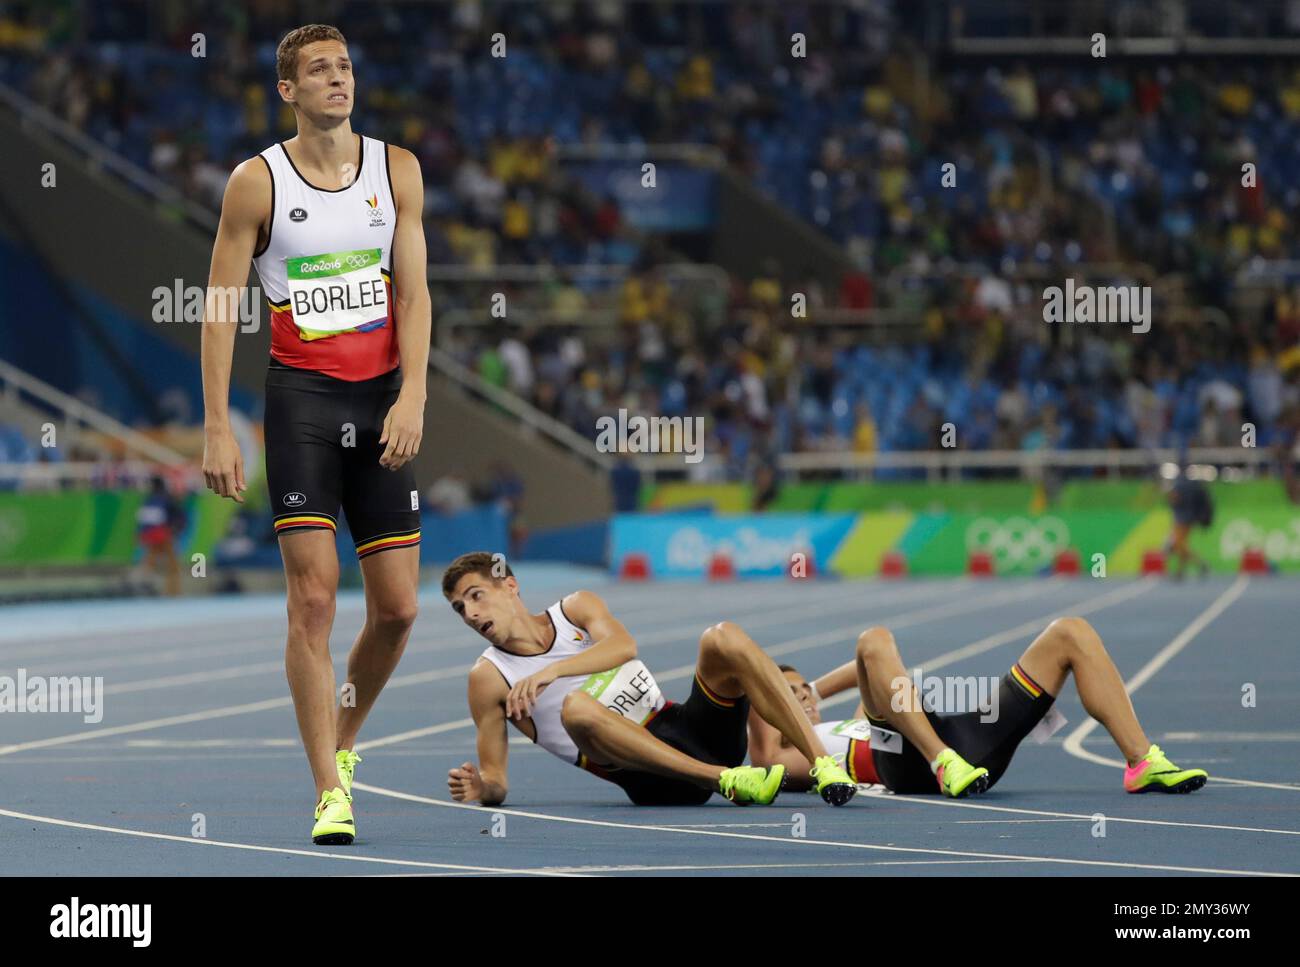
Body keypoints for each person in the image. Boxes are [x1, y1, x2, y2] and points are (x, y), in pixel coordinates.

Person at [200, 23, 431, 845]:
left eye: (345, 66)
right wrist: (217, 427)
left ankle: (344, 741)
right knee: (314, 596)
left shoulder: (395, 169)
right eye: (318, 70)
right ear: (288, 90)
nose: (338, 78)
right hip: (300, 399)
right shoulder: (255, 184)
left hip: (379, 405)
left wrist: (413, 395)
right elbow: (222, 307)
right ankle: (329, 789)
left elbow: (413, 295)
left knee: (400, 608)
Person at [440, 551, 857, 808]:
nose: (471, 614)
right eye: (460, 609)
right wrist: (481, 787)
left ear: (510, 585)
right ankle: (726, 781)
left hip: (688, 730)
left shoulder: (575, 609)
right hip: (651, 777)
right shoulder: (489, 678)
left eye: (476, 596)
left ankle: (822, 763)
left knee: (722, 636)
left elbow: (624, 646)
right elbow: (497, 782)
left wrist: (551, 671)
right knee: (576, 708)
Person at [750, 618, 1208, 797]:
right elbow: (765, 753)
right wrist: (776, 698)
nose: (802, 698)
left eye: (801, 690)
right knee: (873, 639)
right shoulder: (800, 755)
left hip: (964, 742)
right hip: (907, 763)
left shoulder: (838, 714)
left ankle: (1142, 760)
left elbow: (861, 668)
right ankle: (941, 761)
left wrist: (813, 687)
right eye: (787, 694)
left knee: (1071, 633)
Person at [1166, 470, 1213, 579]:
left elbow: (1174, 499)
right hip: (1190, 519)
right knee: (1182, 544)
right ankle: (1180, 571)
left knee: (1178, 545)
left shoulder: (1178, 485)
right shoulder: (1192, 485)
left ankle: (1200, 563)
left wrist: (1169, 497)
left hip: (1181, 519)